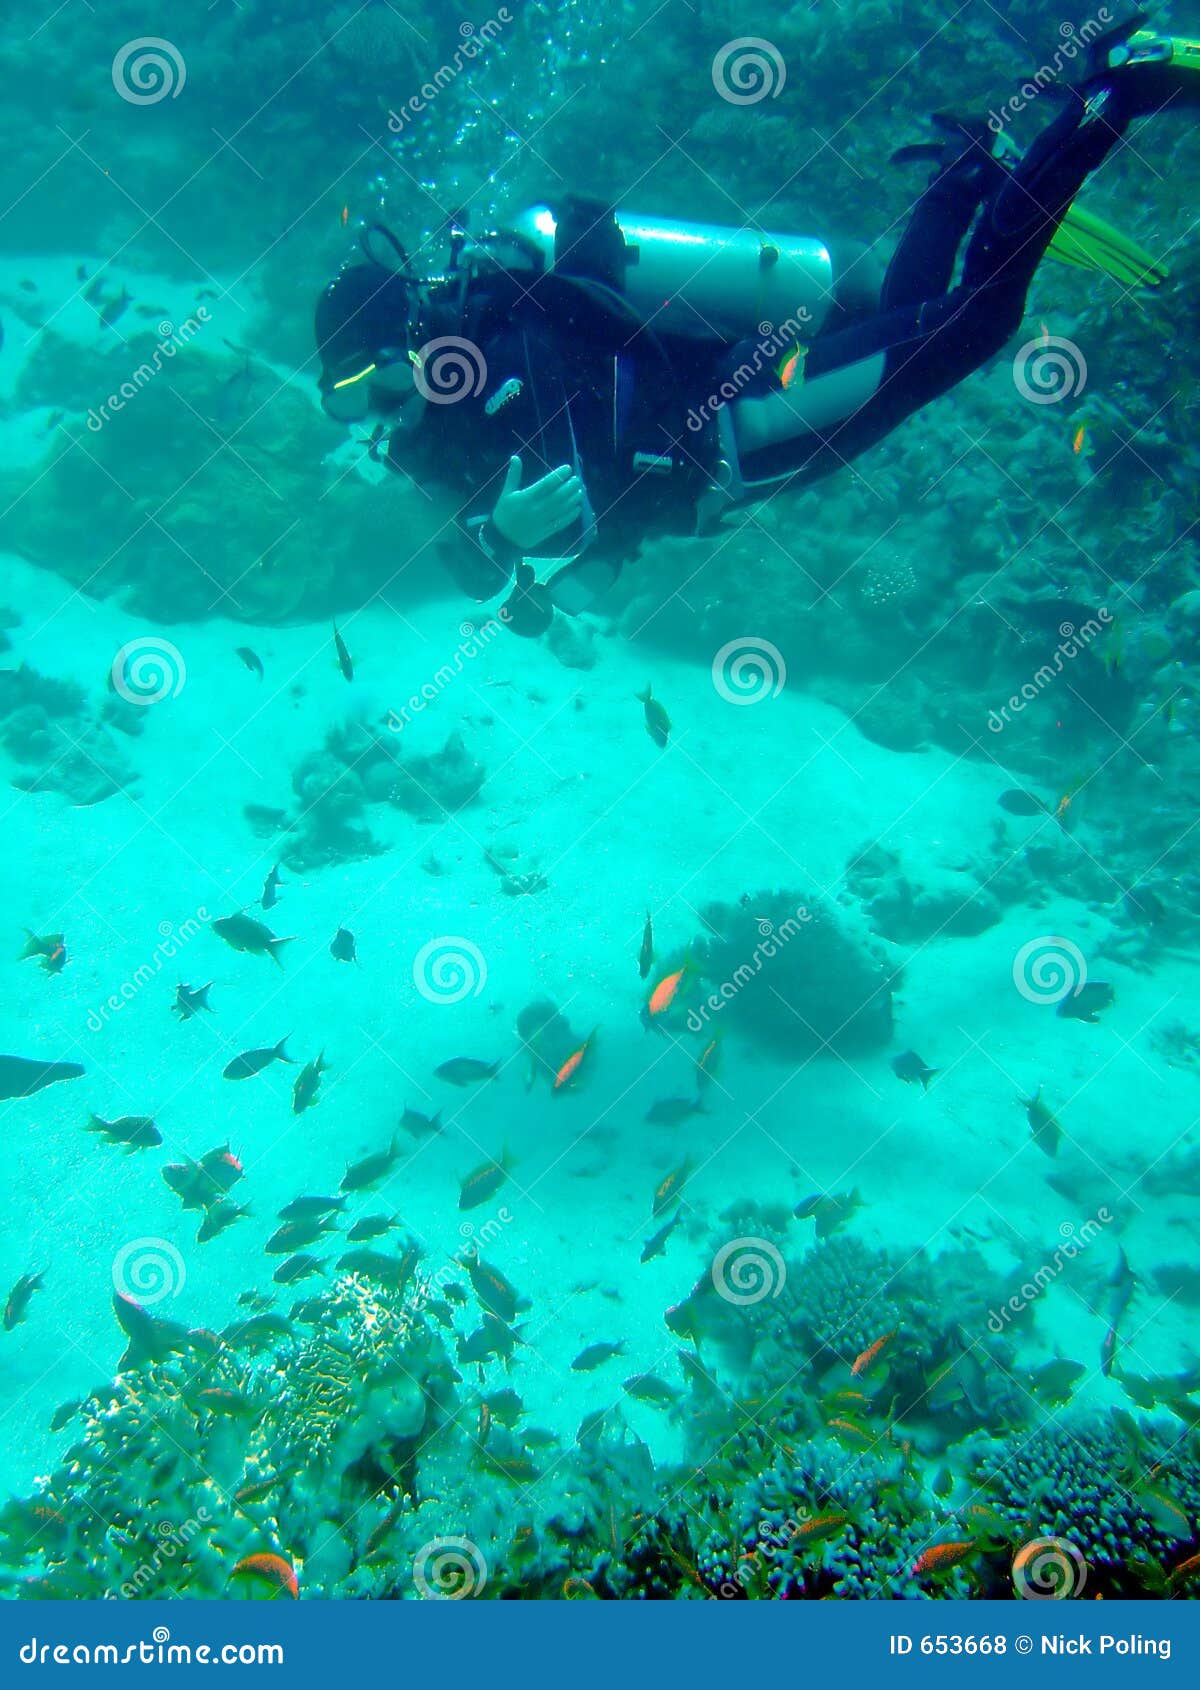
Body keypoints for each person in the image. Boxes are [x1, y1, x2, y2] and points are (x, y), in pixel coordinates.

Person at [315, 18, 1198, 636]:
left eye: (382, 385)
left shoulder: (509, 349)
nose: (383, 418)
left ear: (420, 348)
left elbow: (591, 474)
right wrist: (513, 541)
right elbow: (476, 561)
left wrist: (528, 539)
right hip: (744, 444)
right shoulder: (439, 438)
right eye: (351, 408)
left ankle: (1109, 95)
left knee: (972, 326)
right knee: (910, 321)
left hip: (750, 423)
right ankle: (966, 169)